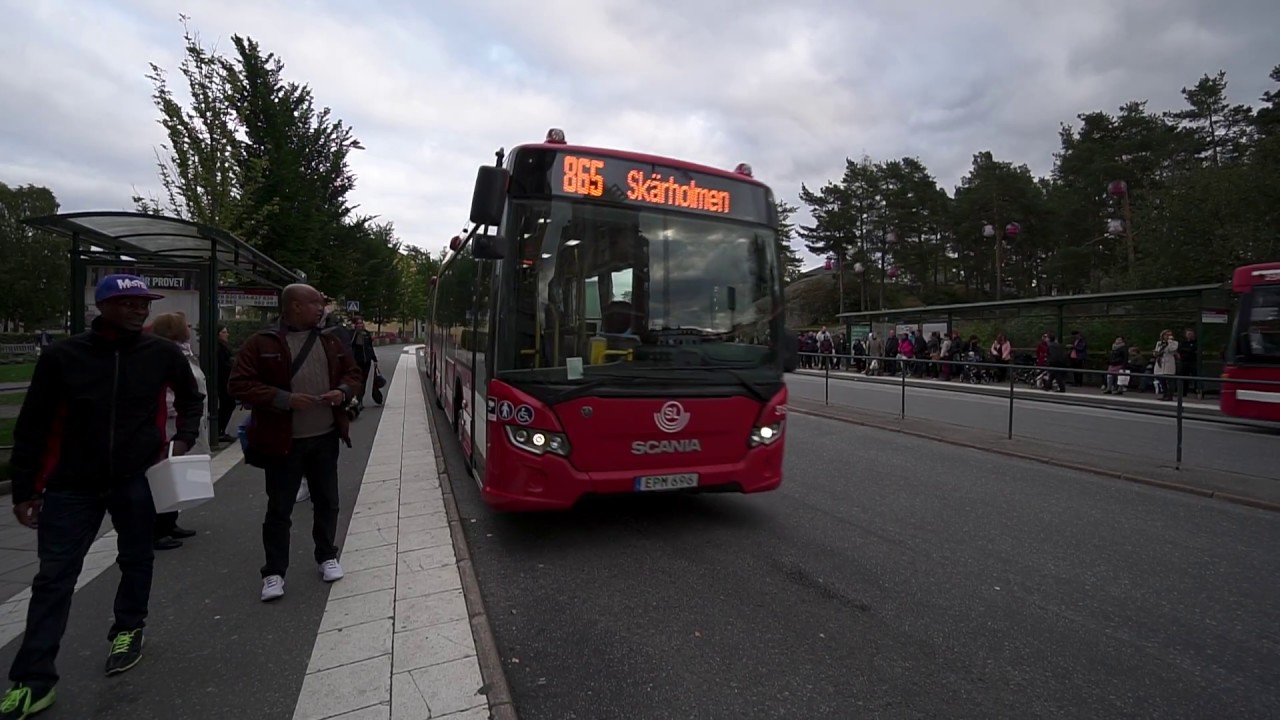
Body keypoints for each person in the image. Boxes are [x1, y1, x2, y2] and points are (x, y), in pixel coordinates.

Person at [1, 274, 203, 719]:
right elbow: (33, 424)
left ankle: (129, 628)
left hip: (136, 475)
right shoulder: (63, 356)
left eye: (143, 304)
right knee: (54, 577)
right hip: (72, 483)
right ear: (103, 305)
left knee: (137, 557)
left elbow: (192, 398)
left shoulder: (160, 353)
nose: (138, 310)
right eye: (128, 303)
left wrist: (183, 439)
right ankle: (33, 679)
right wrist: (25, 488)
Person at [230, 284, 364, 602]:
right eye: (314, 303)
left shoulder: (332, 339)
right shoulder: (262, 343)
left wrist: (343, 392)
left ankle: (327, 555)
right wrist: (284, 399)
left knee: (327, 500)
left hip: (325, 437)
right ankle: (274, 572)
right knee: (279, 509)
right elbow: (238, 384)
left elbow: (354, 373)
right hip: (282, 442)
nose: (321, 308)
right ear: (293, 307)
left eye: (321, 302)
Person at [148, 312, 208, 550]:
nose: (190, 327)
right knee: (166, 474)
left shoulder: (185, 351)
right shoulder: (163, 354)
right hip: (171, 423)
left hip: (188, 423)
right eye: (186, 324)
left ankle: (170, 521)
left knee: (179, 476)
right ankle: (157, 528)